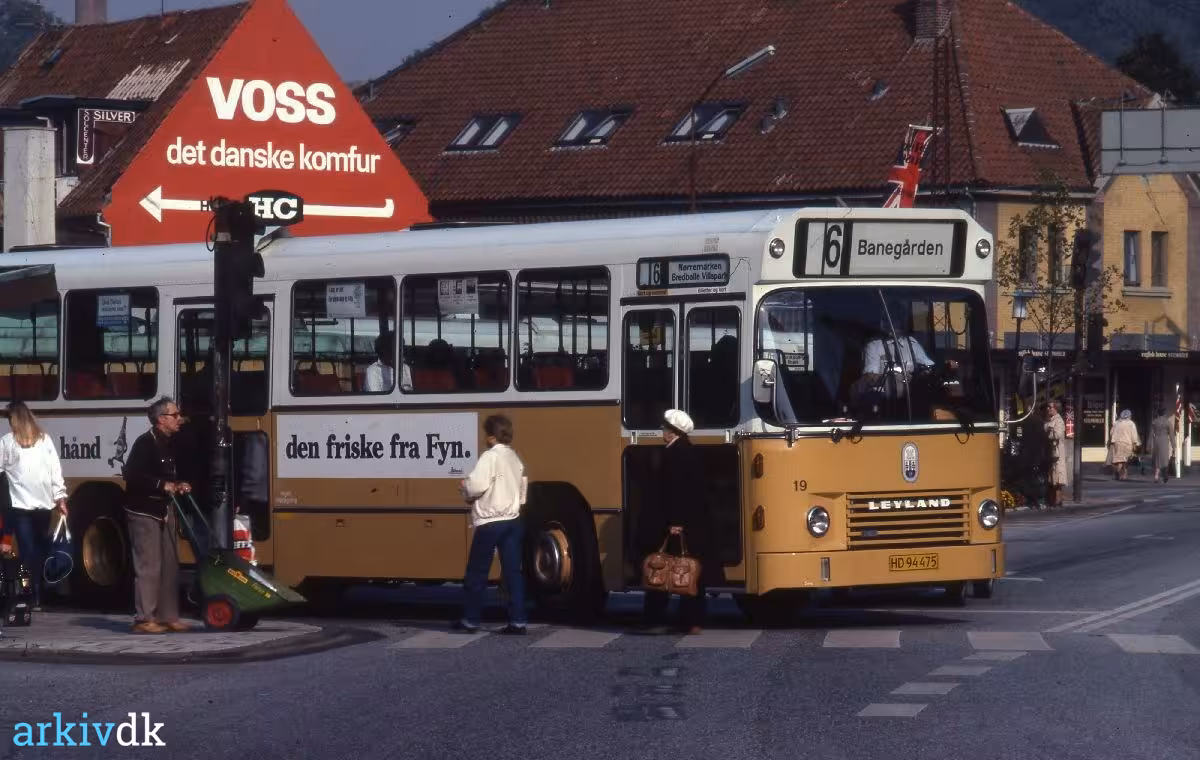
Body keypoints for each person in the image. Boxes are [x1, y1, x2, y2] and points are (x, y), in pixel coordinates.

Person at [636, 409, 723, 635]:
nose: (662, 432)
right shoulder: (691, 452)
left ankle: (656, 618)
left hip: (678, 524)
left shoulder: (674, 455)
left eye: (665, 429)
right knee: (691, 573)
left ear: (673, 432)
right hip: (695, 525)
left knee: (661, 568)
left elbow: (677, 492)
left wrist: (675, 522)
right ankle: (692, 619)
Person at [452, 414, 528, 635]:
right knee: (513, 572)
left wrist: (464, 486)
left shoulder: (489, 457)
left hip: (490, 521)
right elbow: (523, 488)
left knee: (477, 572)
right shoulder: (515, 458)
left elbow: (476, 486)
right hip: (513, 519)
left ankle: (471, 619)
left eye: (486, 433)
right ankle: (518, 621)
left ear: (491, 436)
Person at [122, 397, 192, 634]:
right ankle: (143, 618)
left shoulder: (170, 442)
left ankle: (168, 616)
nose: (179, 419)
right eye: (175, 415)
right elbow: (132, 476)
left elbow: (167, 474)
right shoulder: (145, 443)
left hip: (165, 509)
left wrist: (178, 484)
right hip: (144, 510)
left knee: (170, 564)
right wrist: (164, 485)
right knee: (149, 565)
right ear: (162, 419)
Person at [0, 401, 67, 611]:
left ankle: (38, 592)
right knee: (28, 552)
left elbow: (55, 469)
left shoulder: (44, 441)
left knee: (39, 550)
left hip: (43, 506)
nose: (9, 423)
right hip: (19, 507)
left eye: (10, 418)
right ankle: (32, 594)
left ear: (17, 418)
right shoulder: (7, 442)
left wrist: (60, 497)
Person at [1042, 401, 1067, 507]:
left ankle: (1058, 500)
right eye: (1047, 407)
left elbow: (1057, 434)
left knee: (1058, 476)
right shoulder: (1049, 420)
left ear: (1056, 408)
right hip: (1050, 452)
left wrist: (1049, 430)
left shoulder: (1059, 421)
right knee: (1052, 477)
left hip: (1057, 452)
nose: (1048, 409)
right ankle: (1053, 500)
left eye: (1050, 407)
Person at [1108, 409, 1140, 481]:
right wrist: (1134, 444)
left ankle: (1118, 472)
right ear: (1129, 416)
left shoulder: (1116, 423)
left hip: (1117, 443)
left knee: (1118, 459)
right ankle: (1123, 474)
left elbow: (1111, 433)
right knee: (1125, 460)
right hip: (1127, 443)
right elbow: (1134, 435)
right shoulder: (1131, 424)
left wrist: (1112, 442)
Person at [1149, 407, 1176, 484]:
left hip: (1156, 440)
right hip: (1164, 440)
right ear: (1164, 414)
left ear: (1158, 413)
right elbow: (1171, 435)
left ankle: (1156, 475)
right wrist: (1174, 446)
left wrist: (1149, 444)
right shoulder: (1168, 422)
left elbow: (1151, 434)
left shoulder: (1154, 422)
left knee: (1157, 458)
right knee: (1164, 459)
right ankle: (1165, 475)